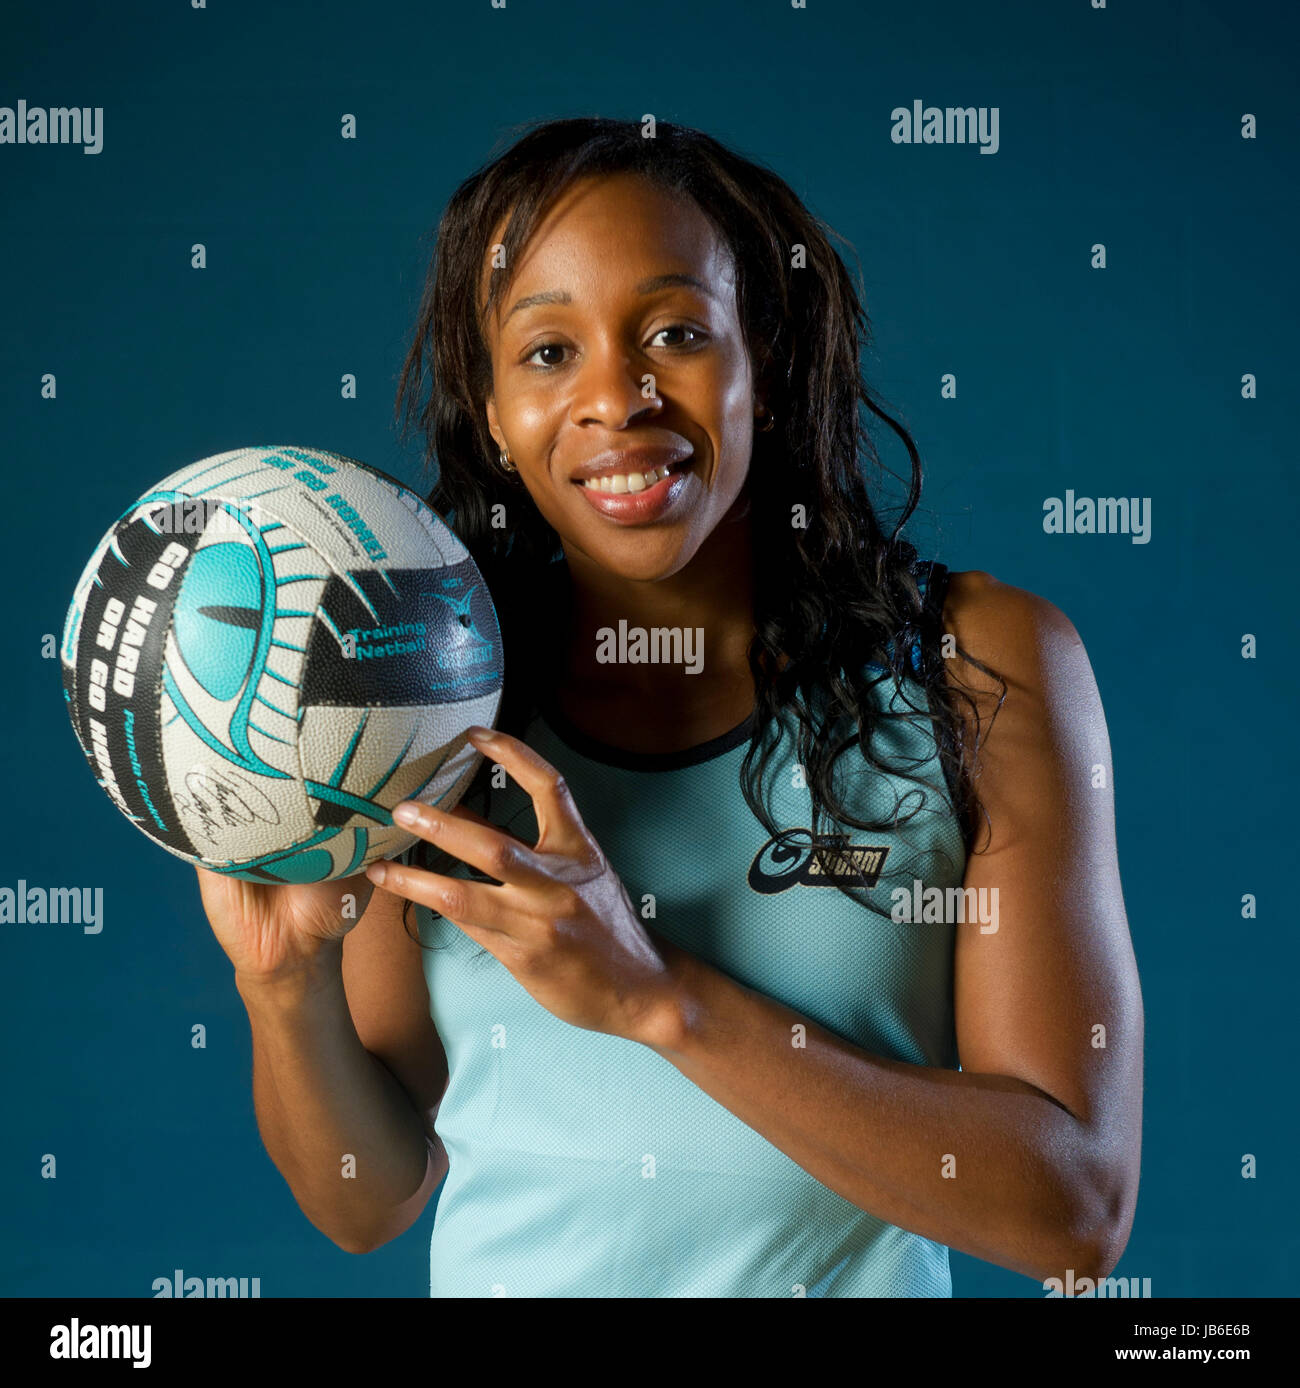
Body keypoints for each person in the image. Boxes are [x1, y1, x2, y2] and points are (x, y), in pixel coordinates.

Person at [197, 117, 1143, 1297]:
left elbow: (1075, 1209)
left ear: (767, 360)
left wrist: (656, 998)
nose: (617, 397)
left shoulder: (972, 661)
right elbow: (365, 1197)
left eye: (675, 333)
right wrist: (281, 988)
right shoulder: (424, 703)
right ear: (490, 410)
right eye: (547, 351)